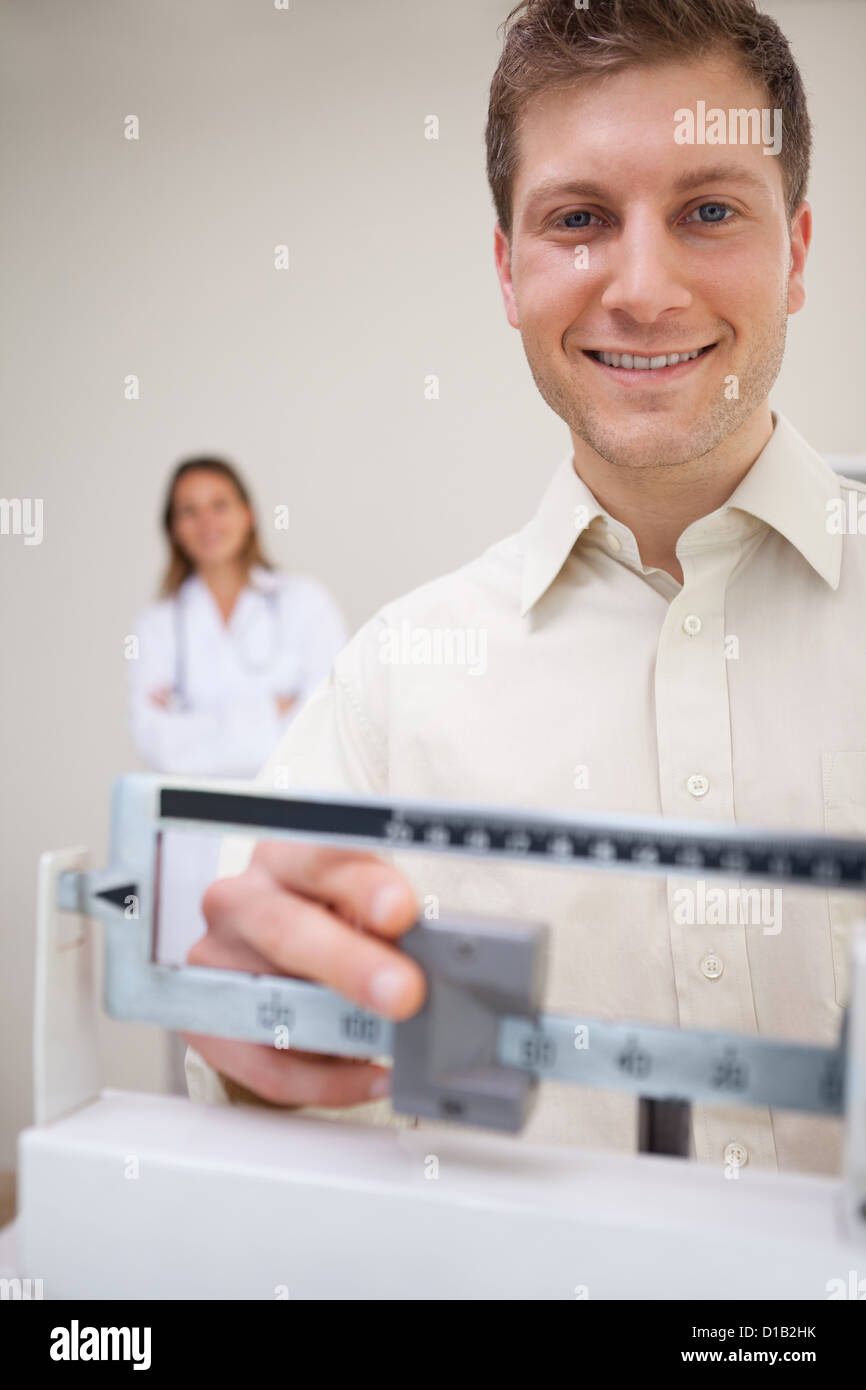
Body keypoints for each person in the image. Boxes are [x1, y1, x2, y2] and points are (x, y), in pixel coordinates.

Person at [182, 0, 864, 1175]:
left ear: (794, 251)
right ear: (507, 270)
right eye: (578, 219)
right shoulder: (395, 683)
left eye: (708, 210)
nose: (641, 289)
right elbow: (253, 1056)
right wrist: (255, 1035)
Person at [127, 457, 347, 1083]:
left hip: (279, 840)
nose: (206, 521)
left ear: (247, 514)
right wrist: (265, 712)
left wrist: (204, 719)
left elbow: (320, 724)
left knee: (283, 1033)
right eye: (188, 510)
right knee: (192, 1035)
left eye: (218, 503)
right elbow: (159, 745)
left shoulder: (304, 604)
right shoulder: (158, 623)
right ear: (173, 528)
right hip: (189, 851)